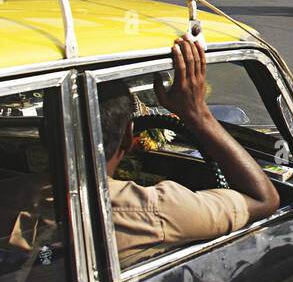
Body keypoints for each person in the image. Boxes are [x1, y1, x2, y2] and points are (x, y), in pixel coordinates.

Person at [98, 38, 280, 270]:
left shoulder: (37, 196)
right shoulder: (150, 209)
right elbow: (264, 199)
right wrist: (197, 113)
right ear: (127, 137)